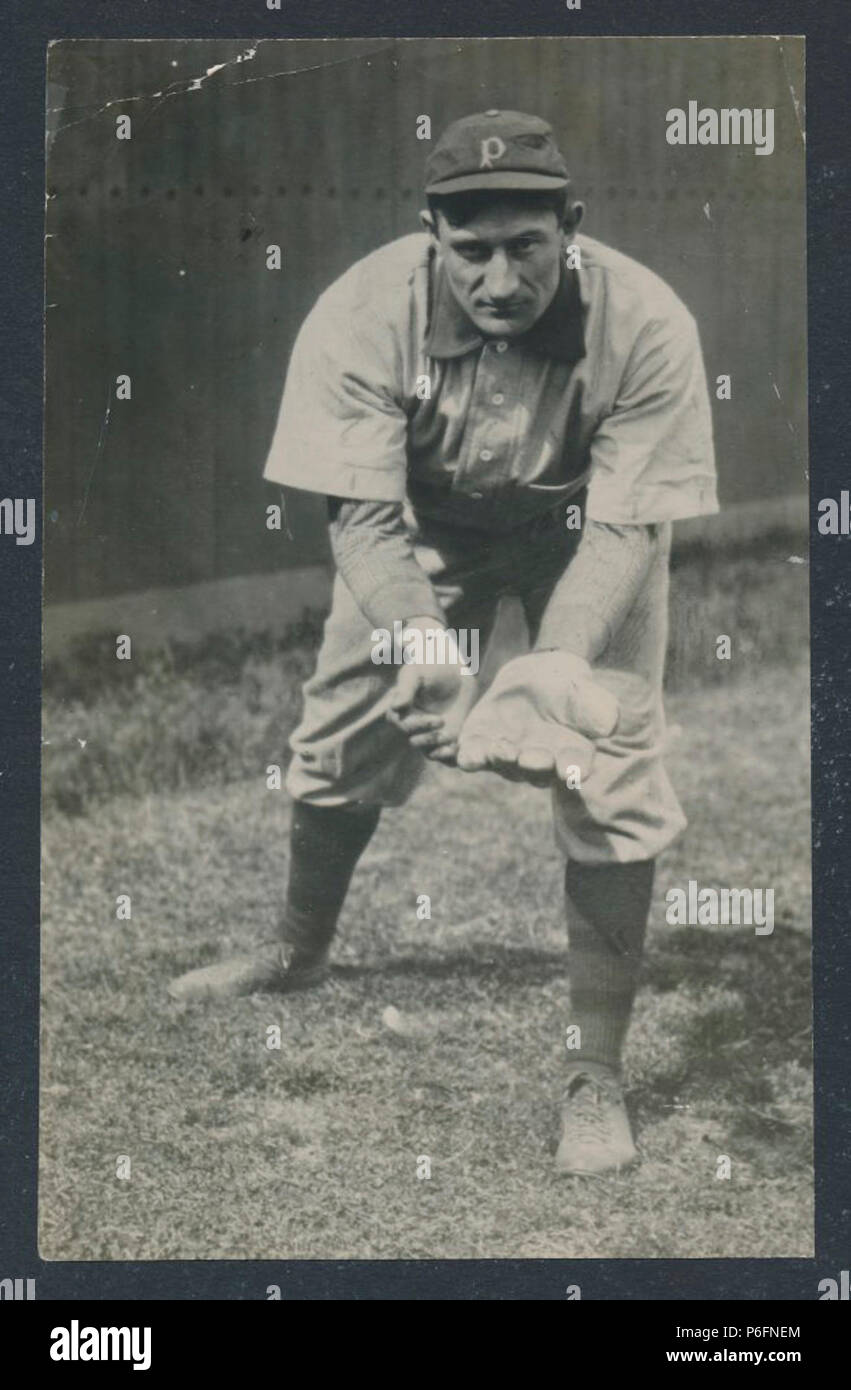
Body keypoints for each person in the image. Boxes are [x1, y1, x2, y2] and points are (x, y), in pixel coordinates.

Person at [169, 110, 718, 1175]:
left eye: (526, 246)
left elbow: (624, 525)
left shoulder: (645, 320)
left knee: (608, 758)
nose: (500, 279)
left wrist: (553, 664)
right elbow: (362, 519)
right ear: (432, 236)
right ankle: (297, 946)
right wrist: (421, 640)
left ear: (572, 226)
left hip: (584, 532)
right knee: (344, 727)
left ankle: (593, 1073)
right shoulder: (364, 311)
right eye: (471, 251)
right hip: (427, 528)